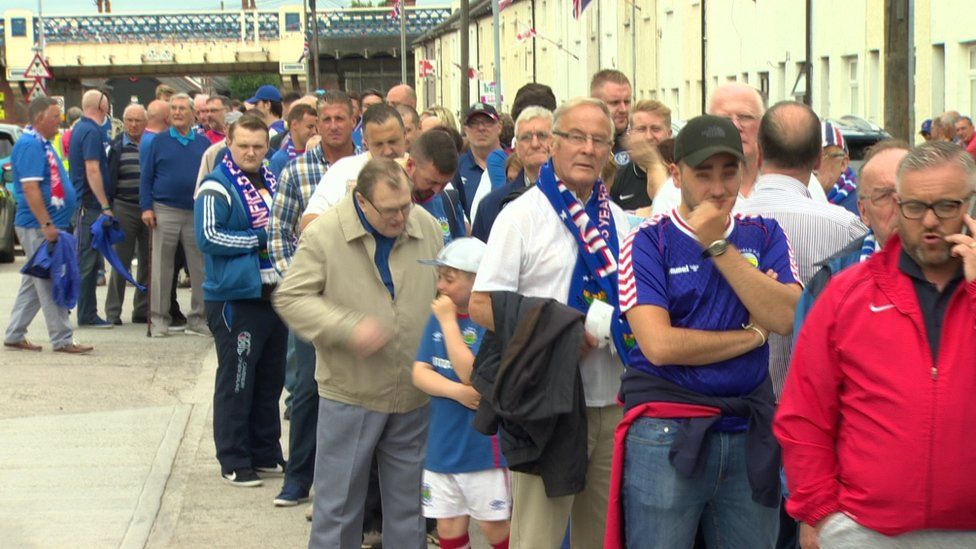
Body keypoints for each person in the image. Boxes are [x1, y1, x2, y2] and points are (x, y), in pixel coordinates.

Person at [610, 114, 801, 549]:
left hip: (746, 432)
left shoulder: (765, 232)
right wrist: (752, 336)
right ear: (676, 173)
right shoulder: (647, 241)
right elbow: (660, 345)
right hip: (666, 433)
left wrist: (719, 247)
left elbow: (786, 317)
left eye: (728, 172)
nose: (718, 188)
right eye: (703, 174)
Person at [775, 141, 976, 548]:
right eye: (916, 207)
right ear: (899, 206)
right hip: (865, 531)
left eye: (947, 206)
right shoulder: (846, 293)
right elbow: (804, 414)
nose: (931, 221)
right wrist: (822, 514)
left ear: (969, 206)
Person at [469, 97, 630, 548]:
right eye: (576, 137)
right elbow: (482, 304)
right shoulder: (520, 217)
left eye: (599, 140)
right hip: (548, 402)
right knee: (537, 539)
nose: (587, 148)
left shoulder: (620, 222)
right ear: (553, 144)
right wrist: (556, 334)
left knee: (600, 540)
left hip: (610, 399)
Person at [273, 158, 444, 549]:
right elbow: (291, 298)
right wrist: (348, 328)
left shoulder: (427, 227)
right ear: (361, 201)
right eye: (390, 210)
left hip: (413, 393)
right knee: (339, 509)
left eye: (406, 205)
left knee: (410, 509)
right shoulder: (325, 234)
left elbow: (440, 292)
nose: (402, 217)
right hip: (351, 392)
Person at [267, 90, 358, 507]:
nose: (334, 125)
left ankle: (347, 483)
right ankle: (298, 477)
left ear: (354, 121)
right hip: (315, 301)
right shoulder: (296, 169)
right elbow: (279, 233)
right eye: (327, 119)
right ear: (316, 123)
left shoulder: (370, 167)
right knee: (306, 389)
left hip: (360, 300)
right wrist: (300, 288)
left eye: (342, 118)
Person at [194, 115, 286, 486]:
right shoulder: (216, 186)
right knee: (237, 380)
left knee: (269, 380)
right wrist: (260, 238)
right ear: (228, 144)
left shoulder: (273, 181)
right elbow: (208, 237)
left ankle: (264, 451)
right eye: (243, 145)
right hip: (236, 297)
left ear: (267, 148)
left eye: (258, 146)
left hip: (274, 294)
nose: (250, 152)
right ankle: (233, 458)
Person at [412, 237, 511, 549]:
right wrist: (455, 392)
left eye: (449, 279)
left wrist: (448, 323)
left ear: (477, 280)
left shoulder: (490, 320)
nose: (440, 286)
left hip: (482, 449)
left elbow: (472, 375)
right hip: (443, 444)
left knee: (494, 527)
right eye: (439, 277)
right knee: (448, 526)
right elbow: (419, 371)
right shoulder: (441, 314)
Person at [793, 140, 910, 334]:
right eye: (884, 196)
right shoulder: (829, 283)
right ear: (863, 212)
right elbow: (809, 361)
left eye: (908, 192)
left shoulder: (961, 272)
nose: (900, 206)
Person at [4, 97, 87, 354]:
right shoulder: (30, 146)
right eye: (54, 117)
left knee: (34, 281)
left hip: (46, 225)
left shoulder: (43, 144)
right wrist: (47, 223)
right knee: (51, 280)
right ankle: (62, 339)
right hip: (38, 226)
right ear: (39, 118)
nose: (59, 122)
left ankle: (15, 333)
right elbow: (30, 188)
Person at [140, 93, 211, 338]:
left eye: (182, 108)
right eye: (174, 109)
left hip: (195, 210)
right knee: (162, 267)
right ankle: (159, 319)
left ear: (193, 114)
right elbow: (146, 177)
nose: (178, 112)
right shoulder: (157, 142)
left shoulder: (202, 144)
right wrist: (146, 207)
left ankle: (199, 318)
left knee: (199, 267)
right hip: (164, 210)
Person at [302, 103, 408, 226]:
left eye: (393, 141)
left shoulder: (420, 170)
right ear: (366, 143)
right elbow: (308, 223)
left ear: (404, 135)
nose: (388, 151)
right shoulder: (343, 171)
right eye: (379, 144)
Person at [67, 89, 114, 328]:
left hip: (84, 204)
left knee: (86, 260)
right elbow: (92, 169)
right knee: (86, 261)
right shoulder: (92, 132)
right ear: (103, 107)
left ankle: (80, 309)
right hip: (89, 207)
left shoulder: (80, 129)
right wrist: (105, 204)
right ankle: (85, 313)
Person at [471, 106, 552, 241]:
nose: (535, 143)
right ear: (517, 148)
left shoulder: (577, 197)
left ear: (556, 143)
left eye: (542, 136)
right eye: (526, 138)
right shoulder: (491, 205)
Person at [105, 103, 150, 326]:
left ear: (146, 123)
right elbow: (108, 178)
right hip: (124, 207)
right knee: (119, 262)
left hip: (148, 208)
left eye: (138, 121)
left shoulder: (151, 145)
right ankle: (113, 312)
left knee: (147, 262)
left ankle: (141, 310)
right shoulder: (116, 147)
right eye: (129, 121)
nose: (133, 125)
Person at [611, 99, 672, 211]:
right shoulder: (618, 176)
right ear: (630, 134)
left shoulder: (681, 174)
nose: (648, 137)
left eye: (655, 129)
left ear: (669, 134)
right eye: (641, 129)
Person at [453, 103, 503, 216]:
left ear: (499, 126)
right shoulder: (456, 167)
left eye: (488, 122)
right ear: (465, 129)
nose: (481, 128)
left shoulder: (513, 164)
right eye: (474, 124)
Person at [814, 121, 859, 215]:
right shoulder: (796, 199)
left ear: (843, 163)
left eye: (820, 156)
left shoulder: (860, 206)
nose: (812, 165)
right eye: (805, 156)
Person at [590, 69, 633, 166]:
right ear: (595, 104)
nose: (623, 109)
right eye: (615, 102)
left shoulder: (640, 148)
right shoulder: (580, 148)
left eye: (627, 102)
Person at [269, 103, 318, 179]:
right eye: (310, 127)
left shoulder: (321, 153)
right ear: (294, 124)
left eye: (316, 127)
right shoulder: (279, 160)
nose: (314, 131)